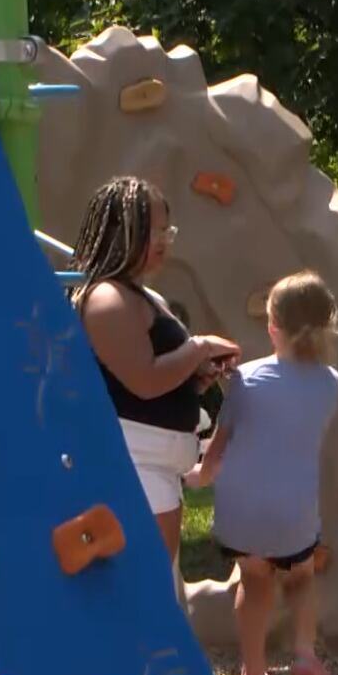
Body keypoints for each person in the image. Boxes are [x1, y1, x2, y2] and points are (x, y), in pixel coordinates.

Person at [185, 271, 338, 675]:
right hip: (294, 510)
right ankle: (304, 653)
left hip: (242, 512)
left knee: (254, 582)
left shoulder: (245, 379)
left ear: (272, 327)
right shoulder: (330, 382)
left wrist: (198, 475)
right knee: (301, 577)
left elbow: (220, 447)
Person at [71, 176, 241, 567]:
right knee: (144, 581)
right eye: (152, 231)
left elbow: (153, 379)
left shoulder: (144, 297)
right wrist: (199, 347)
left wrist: (193, 379)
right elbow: (144, 381)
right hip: (134, 467)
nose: (163, 240)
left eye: (167, 230)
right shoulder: (107, 299)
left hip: (157, 470)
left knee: (155, 579)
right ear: (120, 231)